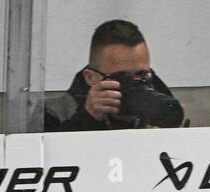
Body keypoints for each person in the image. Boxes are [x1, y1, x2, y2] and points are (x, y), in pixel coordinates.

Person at [44, 20, 185, 132]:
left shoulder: (158, 108)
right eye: (122, 77)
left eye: (141, 74)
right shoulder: (54, 113)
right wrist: (87, 118)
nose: (134, 84)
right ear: (90, 78)